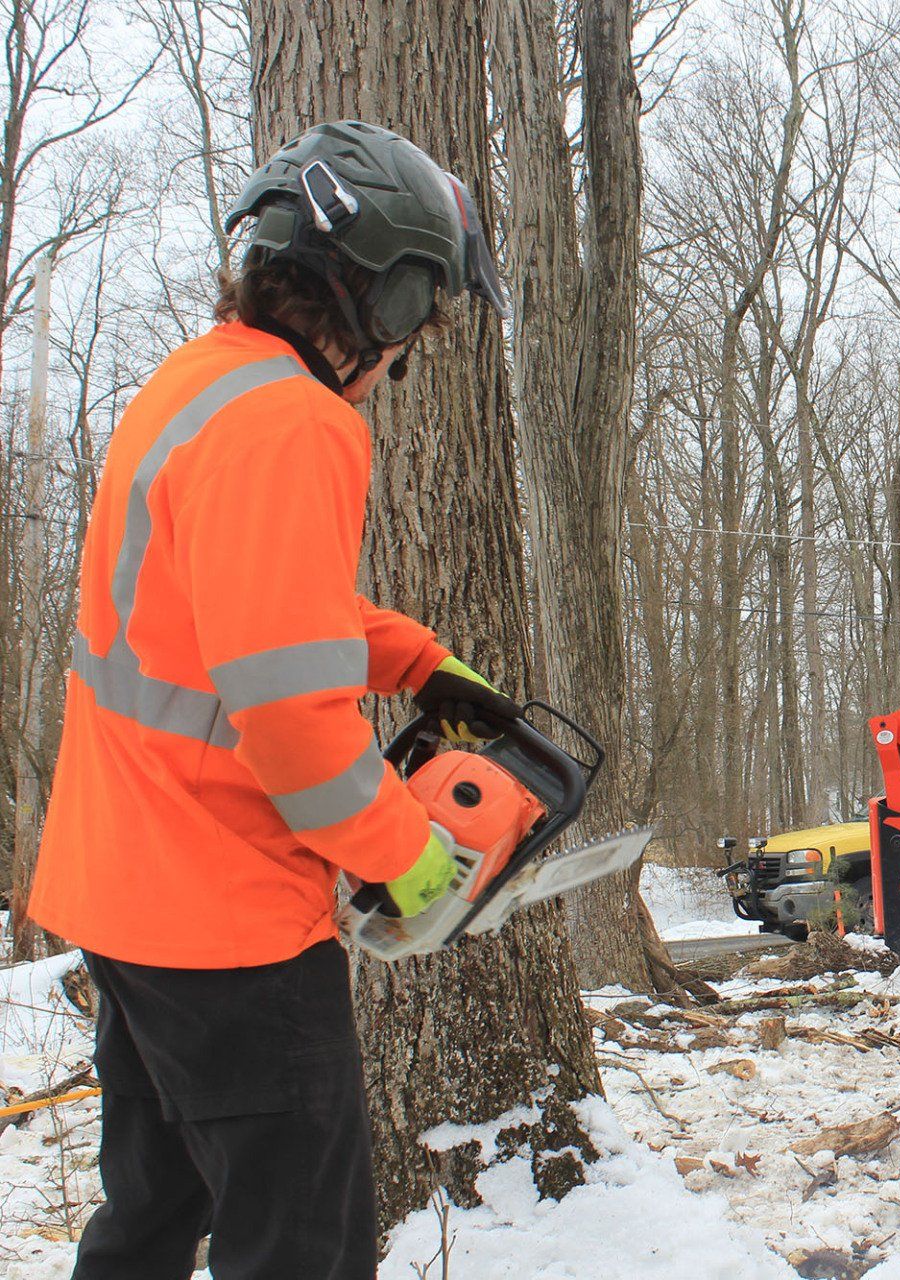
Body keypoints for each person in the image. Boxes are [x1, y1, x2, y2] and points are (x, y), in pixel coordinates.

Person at [28, 120, 524, 1280]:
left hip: (129, 888)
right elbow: (291, 719)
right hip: (228, 919)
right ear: (386, 302)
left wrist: (411, 658)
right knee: (300, 1244)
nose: (402, 362)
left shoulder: (199, 384)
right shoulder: (300, 423)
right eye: (416, 327)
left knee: (151, 1218)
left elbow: (243, 618)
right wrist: (398, 847)